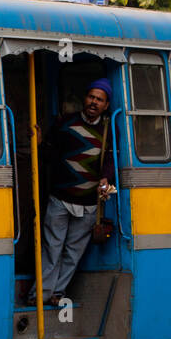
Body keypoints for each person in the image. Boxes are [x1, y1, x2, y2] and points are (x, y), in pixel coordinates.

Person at [30, 79, 116, 305]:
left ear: (106, 105)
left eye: (99, 99)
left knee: (72, 253)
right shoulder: (65, 123)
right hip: (59, 199)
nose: (93, 102)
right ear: (84, 98)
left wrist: (107, 178)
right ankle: (40, 295)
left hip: (89, 204)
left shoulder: (108, 130)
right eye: (91, 97)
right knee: (52, 249)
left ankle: (57, 293)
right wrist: (39, 144)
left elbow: (110, 159)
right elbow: (49, 156)